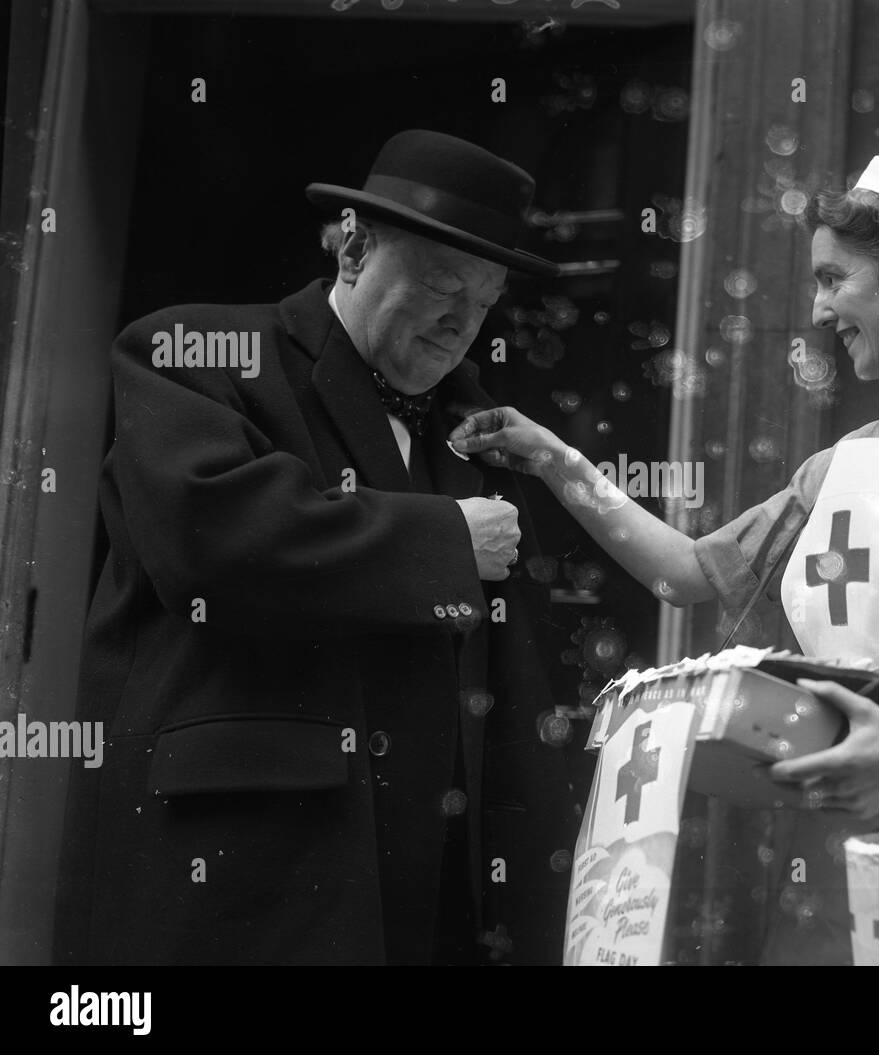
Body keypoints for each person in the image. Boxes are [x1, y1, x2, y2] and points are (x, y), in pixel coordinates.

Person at [448, 149, 879, 965]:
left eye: (835, 278)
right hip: (829, 854)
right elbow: (684, 573)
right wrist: (555, 461)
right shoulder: (851, 456)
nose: (820, 309)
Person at [53, 129, 578, 965]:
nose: (460, 325)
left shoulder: (481, 427)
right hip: (242, 876)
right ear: (356, 247)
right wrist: (443, 539)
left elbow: (512, 674)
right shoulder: (193, 352)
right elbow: (211, 541)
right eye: (442, 287)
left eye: (484, 302)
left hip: (437, 892)